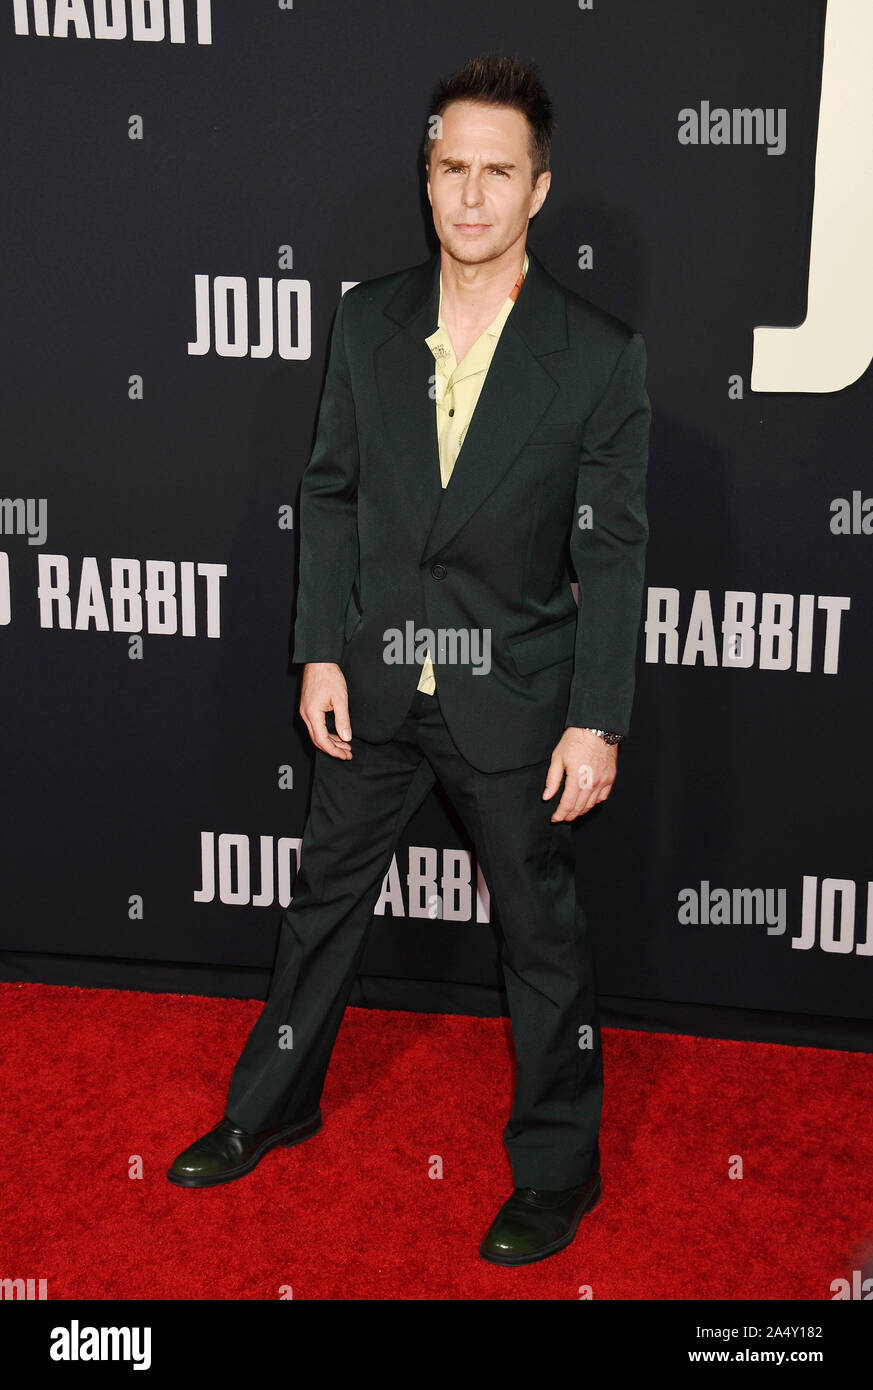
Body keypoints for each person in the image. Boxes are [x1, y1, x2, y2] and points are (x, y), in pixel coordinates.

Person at [168, 52, 651, 1267]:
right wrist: (319, 650)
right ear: (425, 178)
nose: (472, 197)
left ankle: (556, 1169)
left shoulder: (597, 354)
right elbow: (327, 494)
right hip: (376, 679)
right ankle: (269, 1108)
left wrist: (596, 719)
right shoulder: (366, 317)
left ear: (540, 189)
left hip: (513, 697)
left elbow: (617, 554)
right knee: (320, 911)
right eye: (452, 170)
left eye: (500, 173)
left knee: (540, 942)